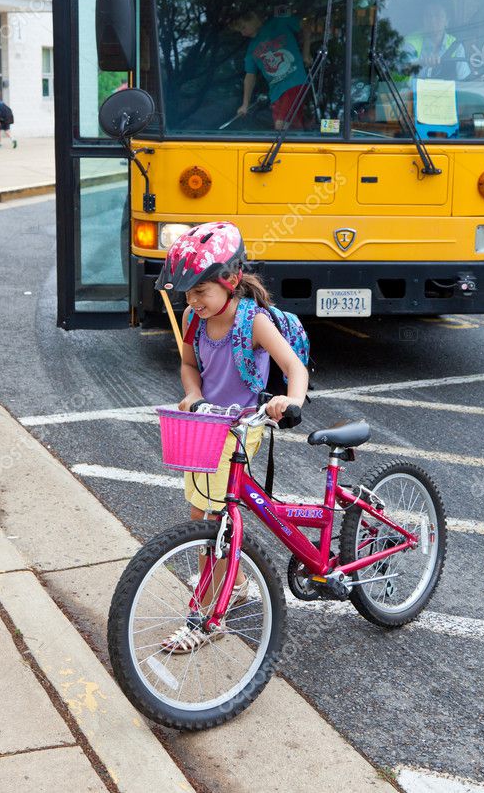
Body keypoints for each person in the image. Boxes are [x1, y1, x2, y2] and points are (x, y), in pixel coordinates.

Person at [155, 221, 308, 653]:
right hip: (205, 424)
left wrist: (290, 401)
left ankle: (206, 618)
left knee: (212, 519)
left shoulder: (253, 321)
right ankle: (234, 583)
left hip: (242, 427)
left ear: (229, 280)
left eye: (201, 291)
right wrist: (193, 394)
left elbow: (294, 368)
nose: (193, 301)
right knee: (201, 513)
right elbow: (189, 365)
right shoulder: (193, 318)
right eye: (188, 293)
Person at [231, 11, 312, 129]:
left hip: (294, 82)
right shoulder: (251, 50)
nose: (243, 34)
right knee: (289, 128)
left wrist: (306, 53)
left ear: (253, 19)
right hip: (275, 94)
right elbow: (250, 76)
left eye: (243, 27)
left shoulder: (279, 22)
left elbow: (306, 26)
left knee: (281, 126)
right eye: (240, 31)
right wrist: (245, 104)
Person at [401, 0, 470, 81]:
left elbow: (464, 80)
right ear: (423, 20)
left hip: (448, 89)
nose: (432, 20)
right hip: (415, 89)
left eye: (438, 15)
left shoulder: (456, 45)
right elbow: (404, 74)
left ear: (447, 21)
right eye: (428, 16)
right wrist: (422, 63)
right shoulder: (411, 42)